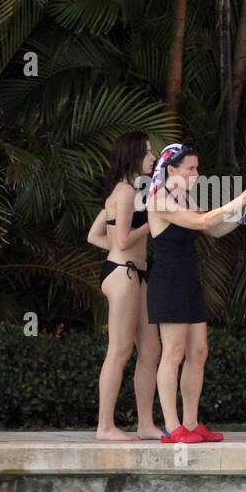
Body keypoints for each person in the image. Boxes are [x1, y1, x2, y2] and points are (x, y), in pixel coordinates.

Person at [146, 143, 246, 444]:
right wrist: (240, 198)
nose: (197, 174)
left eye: (197, 169)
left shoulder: (183, 197)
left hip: (188, 280)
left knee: (198, 351)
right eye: (191, 169)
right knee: (172, 353)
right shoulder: (159, 199)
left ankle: (191, 423)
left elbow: (213, 230)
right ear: (171, 170)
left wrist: (242, 214)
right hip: (168, 281)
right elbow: (201, 222)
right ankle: (173, 428)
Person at [87, 131, 162, 441]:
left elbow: (93, 236)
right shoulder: (126, 193)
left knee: (151, 350)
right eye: (147, 153)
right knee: (119, 350)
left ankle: (145, 423)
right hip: (123, 274)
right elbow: (121, 239)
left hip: (136, 272)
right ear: (132, 156)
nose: (153, 158)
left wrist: (121, 247)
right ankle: (105, 427)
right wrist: (152, 221)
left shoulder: (131, 190)